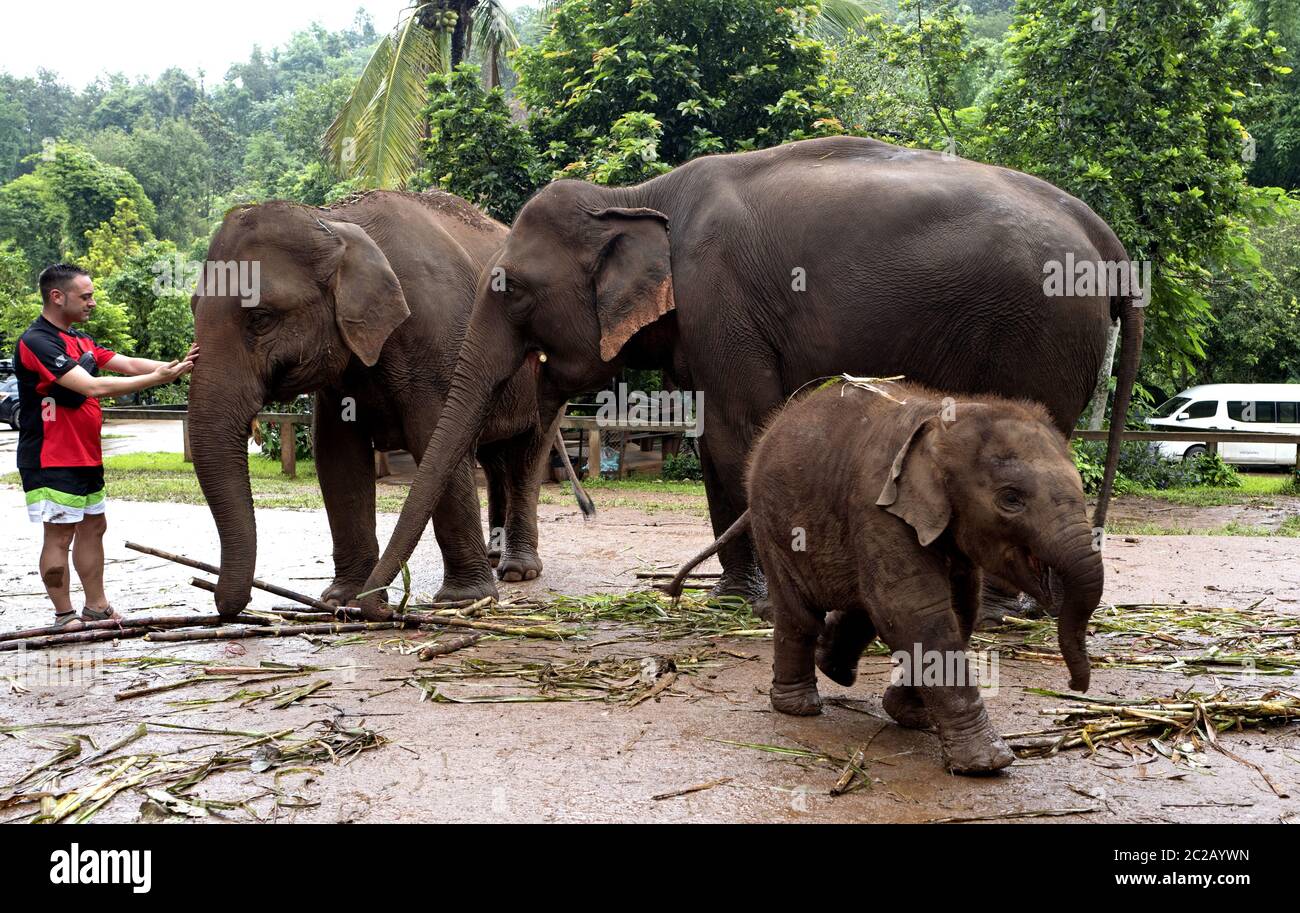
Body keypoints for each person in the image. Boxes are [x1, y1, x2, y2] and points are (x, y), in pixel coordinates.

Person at [14, 263, 198, 629]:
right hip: (51, 459)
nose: (93, 302)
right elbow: (92, 387)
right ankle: (63, 615)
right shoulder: (36, 341)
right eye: (86, 296)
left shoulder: (80, 340)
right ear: (57, 296)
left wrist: (178, 367)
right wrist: (155, 379)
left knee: (94, 527)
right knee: (59, 533)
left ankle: (96, 607)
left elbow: (126, 363)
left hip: (85, 456)